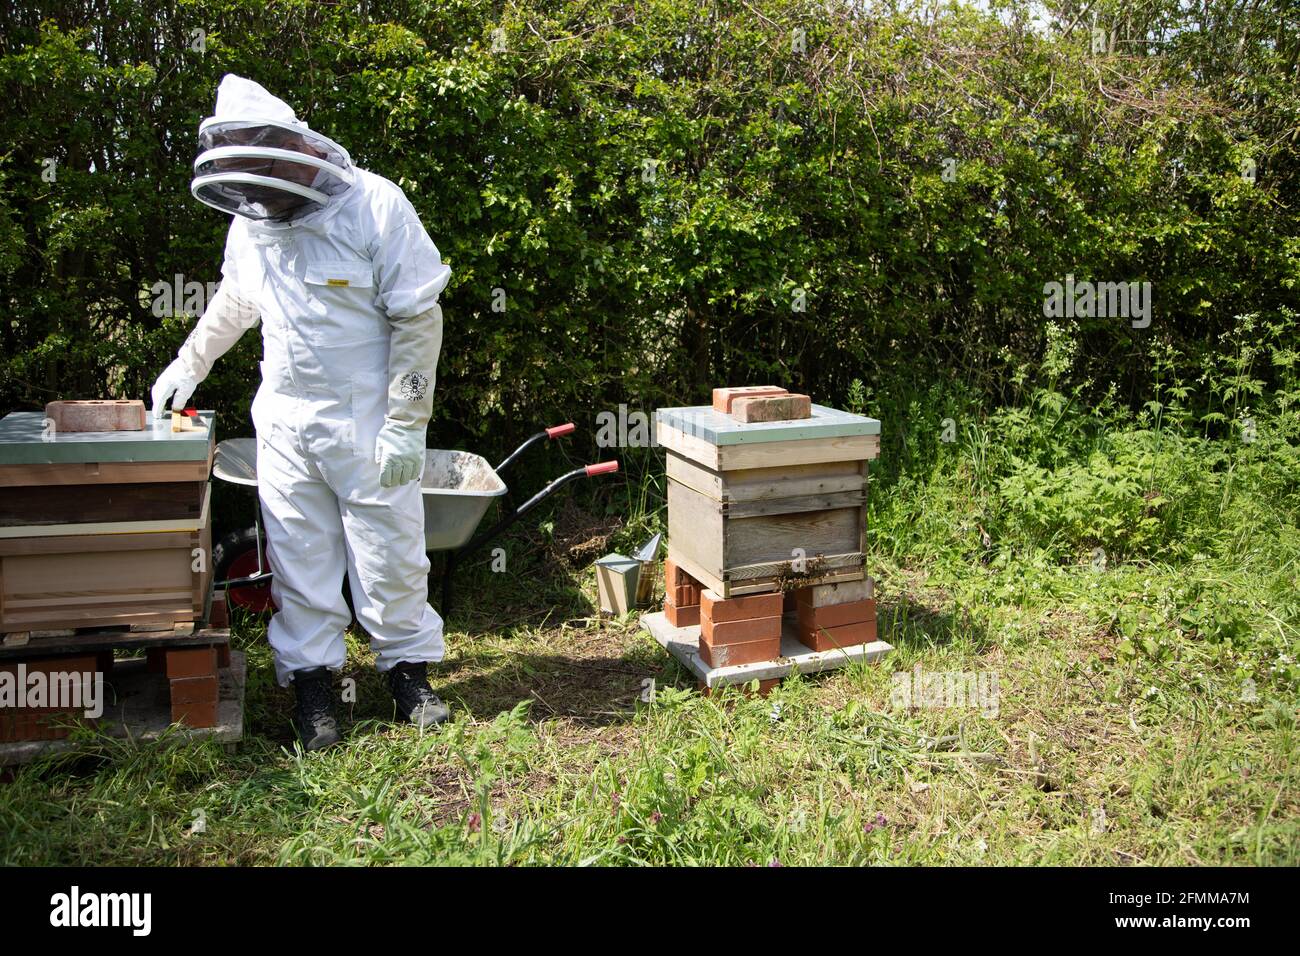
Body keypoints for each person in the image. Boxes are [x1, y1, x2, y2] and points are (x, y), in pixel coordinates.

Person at [151, 74, 452, 751]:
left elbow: (417, 319)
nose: (259, 193)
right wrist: (190, 362)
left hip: (370, 419)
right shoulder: (251, 222)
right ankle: (314, 687)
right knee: (297, 554)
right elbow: (236, 301)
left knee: (389, 552)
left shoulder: (375, 204)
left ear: (293, 149)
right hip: (285, 419)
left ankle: (408, 674)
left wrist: (407, 421)